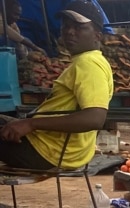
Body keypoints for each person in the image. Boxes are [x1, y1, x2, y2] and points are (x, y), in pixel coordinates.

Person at [0, 1, 112, 171]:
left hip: (45, 152)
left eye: (79, 27)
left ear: (98, 35)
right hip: (52, 147)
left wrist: (31, 124)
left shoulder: (89, 64)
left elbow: (95, 118)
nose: (69, 32)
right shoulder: (86, 61)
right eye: (66, 26)